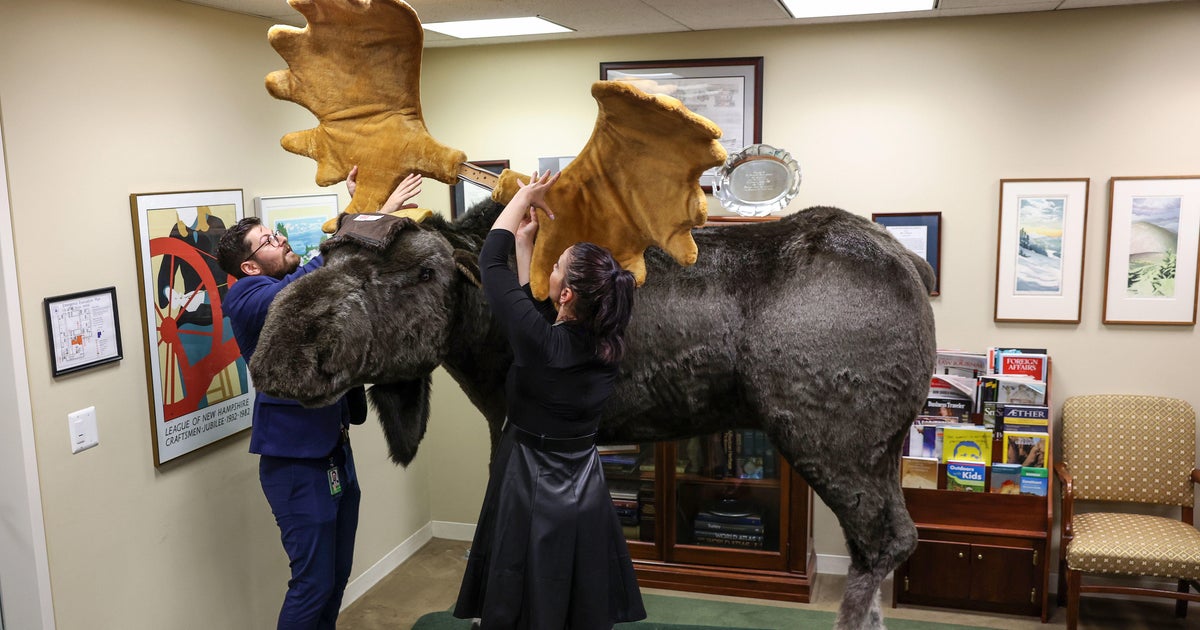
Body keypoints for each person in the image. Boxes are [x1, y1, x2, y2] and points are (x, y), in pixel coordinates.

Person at [215, 169, 421, 630]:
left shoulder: (274, 283)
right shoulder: (248, 297)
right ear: (249, 266)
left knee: (335, 577)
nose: (281, 240)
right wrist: (372, 217)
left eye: (276, 233)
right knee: (311, 584)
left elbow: (334, 277)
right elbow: (311, 284)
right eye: (269, 241)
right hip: (294, 464)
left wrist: (363, 209)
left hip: (332, 451)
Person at [453, 171, 646, 629]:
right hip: (582, 478)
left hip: (531, 475)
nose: (550, 266)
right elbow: (536, 320)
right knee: (571, 581)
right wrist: (527, 246)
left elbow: (488, 263)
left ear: (566, 294)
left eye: (556, 265)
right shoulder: (603, 343)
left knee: (524, 574)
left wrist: (522, 196)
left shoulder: (545, 344)